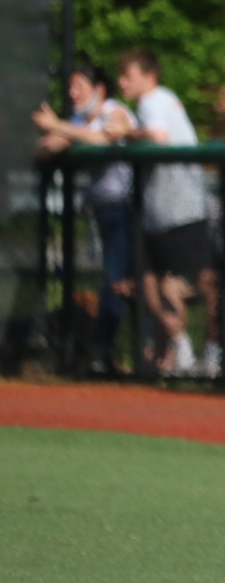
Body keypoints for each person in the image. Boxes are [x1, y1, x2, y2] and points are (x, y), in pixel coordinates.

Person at [114, 47, 223, 377]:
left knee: (206, 282)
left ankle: (216, 355)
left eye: (128, 76)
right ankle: (185, 353)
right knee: (150, 285)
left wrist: (124, 132)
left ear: (149, 77)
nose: (122, 83)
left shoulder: (154, 100)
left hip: (182, 208)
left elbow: (158, 139)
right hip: (157, 213)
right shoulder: (151, 104)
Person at [33, 62, 136, 368]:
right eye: (71, 86)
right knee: (118, 280)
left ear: (99, 90)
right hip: (103, 210)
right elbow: (45, 147)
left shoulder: (115, 110)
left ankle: (102, 352)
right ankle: (105, 352)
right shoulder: (79, 119)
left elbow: (104, 136)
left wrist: (59, 127)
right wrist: (61, 132)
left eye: (79, 85)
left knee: (123, 282)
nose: (72, 92)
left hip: (130, 209)